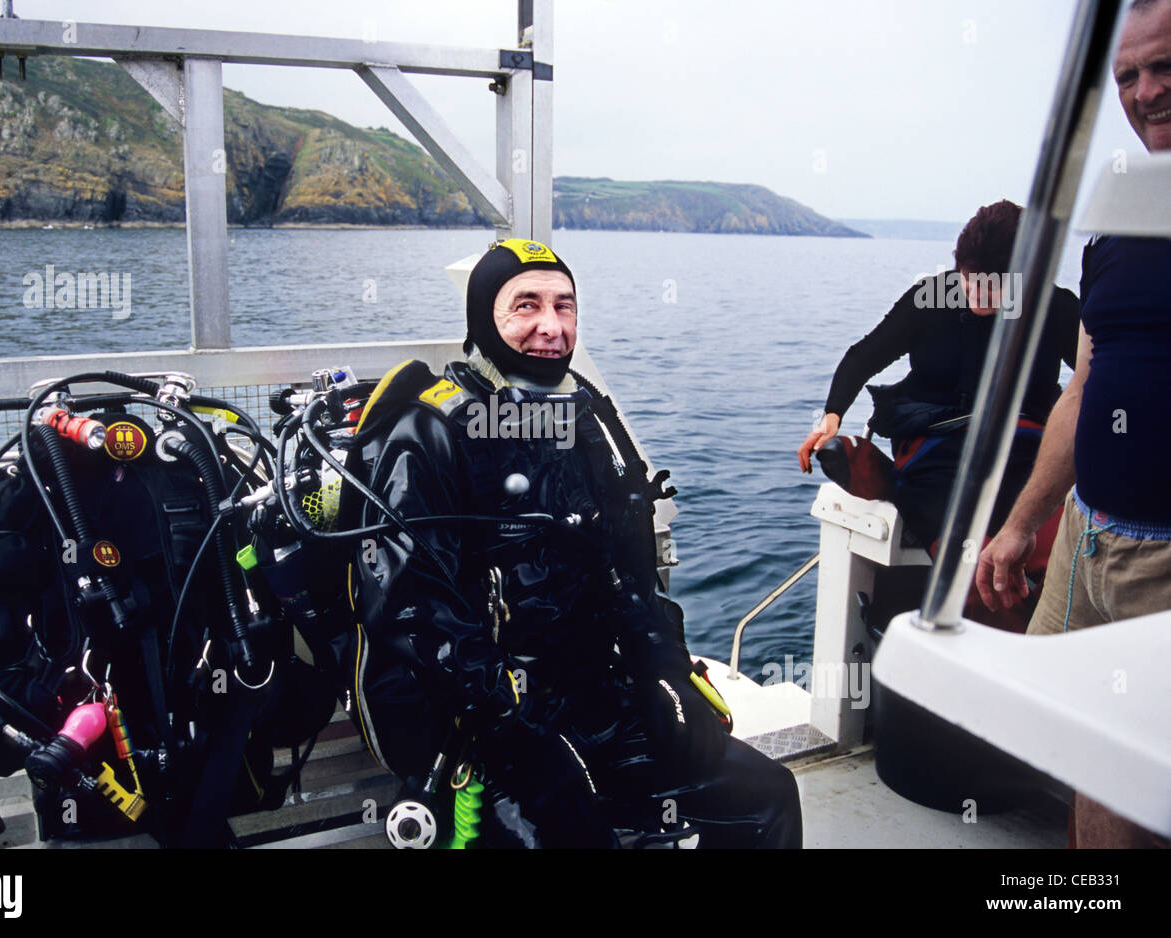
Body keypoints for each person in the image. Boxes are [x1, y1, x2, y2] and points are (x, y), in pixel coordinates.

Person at [342, 238, 802, 848]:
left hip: (592, 687)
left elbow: (631, 571)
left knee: (768, 795)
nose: (550, 327)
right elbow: (410, 610)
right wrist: (508, 706)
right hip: (474, 714)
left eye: (564, 306)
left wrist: (667, 672)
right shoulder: (431, 432)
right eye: (525, 306)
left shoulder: (584, 419)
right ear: (484, 319)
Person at [976, 0, 1171, 849]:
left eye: (1164, 66)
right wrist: (1022, 525)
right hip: (1086, 539)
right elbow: (1084, 386)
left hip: (1161, 564)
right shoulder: (1122, 214)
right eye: (1127, 75)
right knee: (1089, 754)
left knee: (1143, 763)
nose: (1146, 91)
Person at [797, 201, 1080, 555]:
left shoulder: (1056, 307)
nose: (976, 295)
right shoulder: (931, 297)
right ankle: (902, 491)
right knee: (954, 532)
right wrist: (831, 417)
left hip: (1021, 449)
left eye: (992, 288)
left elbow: (1099, 375)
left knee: (1056, 519)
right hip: (935, 446)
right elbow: (863, 356)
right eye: (968, 281)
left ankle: (889, 482)